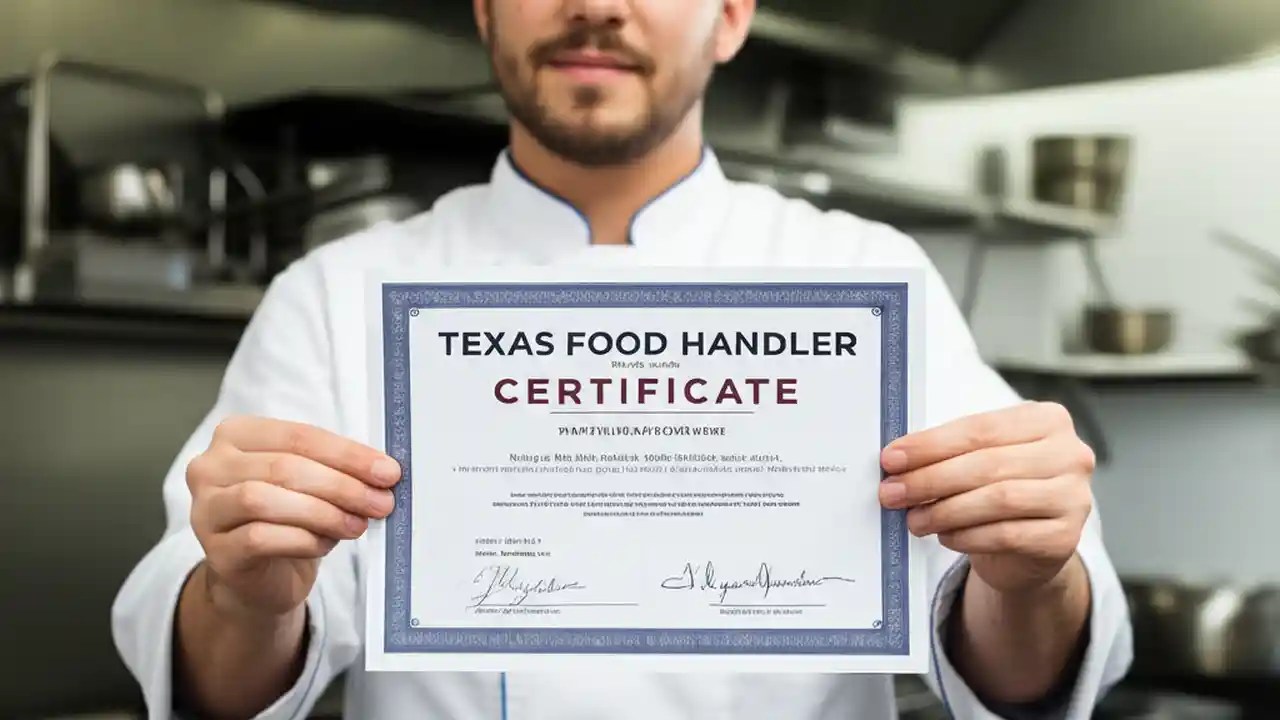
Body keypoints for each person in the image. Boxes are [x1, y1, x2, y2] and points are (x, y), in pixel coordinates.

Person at [112, 0, 1132, 717]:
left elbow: (1026, 664)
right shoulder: (337, 296)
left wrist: (1031, 575)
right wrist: (244, 594)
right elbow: (213, 684)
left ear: (731, 15)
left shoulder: (866, 278)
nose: (593, 5)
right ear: (483, 8)